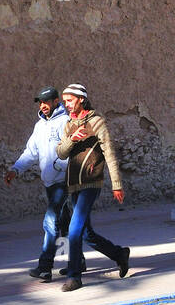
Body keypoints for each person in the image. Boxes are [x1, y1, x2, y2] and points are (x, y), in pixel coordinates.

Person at [55, 83, 130, 292]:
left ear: (80, 99)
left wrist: (117, 185)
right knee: (86, 233)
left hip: (91, 183)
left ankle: (74, 276)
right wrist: (72, 139)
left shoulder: (97, 122)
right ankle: (119, 254)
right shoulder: (69, 124)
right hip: (74, 184)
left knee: (74, 229)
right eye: (65, 101)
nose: (66, 104)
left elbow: (110, 154)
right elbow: (61, 152)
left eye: (69, 100)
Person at [4, 86, 70, 282]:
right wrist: (15, 169)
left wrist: (60, 167)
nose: (43, 106)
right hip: (50, 183)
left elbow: (70, 151)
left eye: (46, 102)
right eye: (41, 102)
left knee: (50, 221)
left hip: (63, 182)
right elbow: (31, 152)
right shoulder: (40, 126)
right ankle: (78, 261)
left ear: (56, 102)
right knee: (65, 222)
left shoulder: (65, 122)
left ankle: (45, 267)